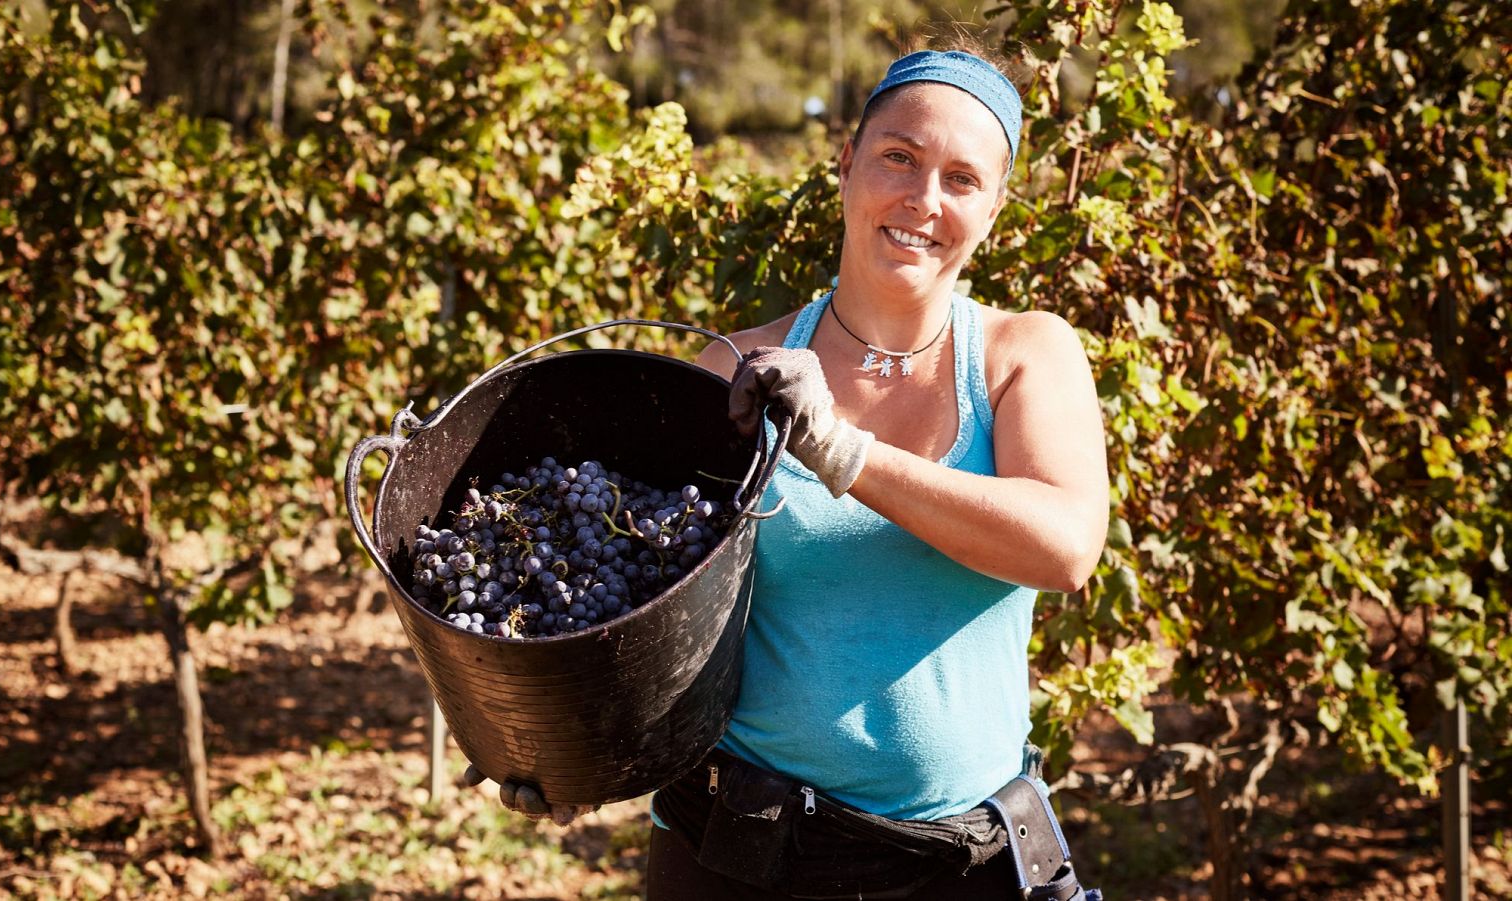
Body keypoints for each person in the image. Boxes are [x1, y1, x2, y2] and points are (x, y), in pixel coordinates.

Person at [471, 38, 1109, 900]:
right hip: (736, 855)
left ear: (995, 207)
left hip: (960, 866)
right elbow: (653, 603)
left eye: (962, 179)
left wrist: (844, 450)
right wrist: (570, 742)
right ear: (845, 166)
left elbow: (1064, 545)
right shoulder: (737, 368)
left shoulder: (1022, 355)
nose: (924, 199)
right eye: (898, 158)